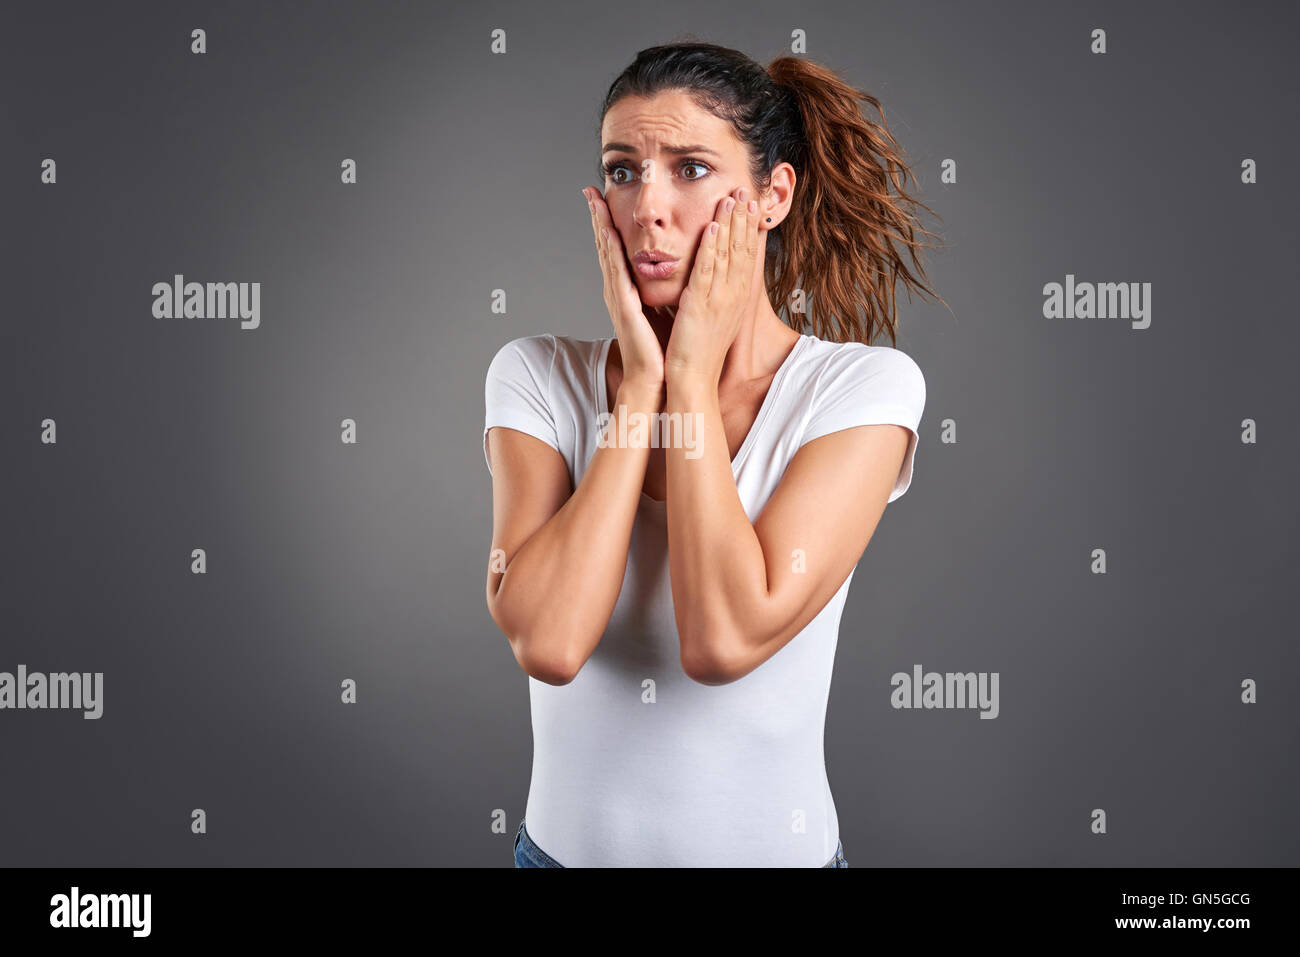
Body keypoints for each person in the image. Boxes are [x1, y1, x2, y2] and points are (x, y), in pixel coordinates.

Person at [483, 39, 948, 867]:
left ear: (772, 195)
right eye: (622, 169)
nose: (647, 207)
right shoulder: (537, 375)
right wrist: (637, 394)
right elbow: (550, 644)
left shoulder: (859, 390)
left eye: (690, 168)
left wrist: (690, 380)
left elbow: (722, 639)